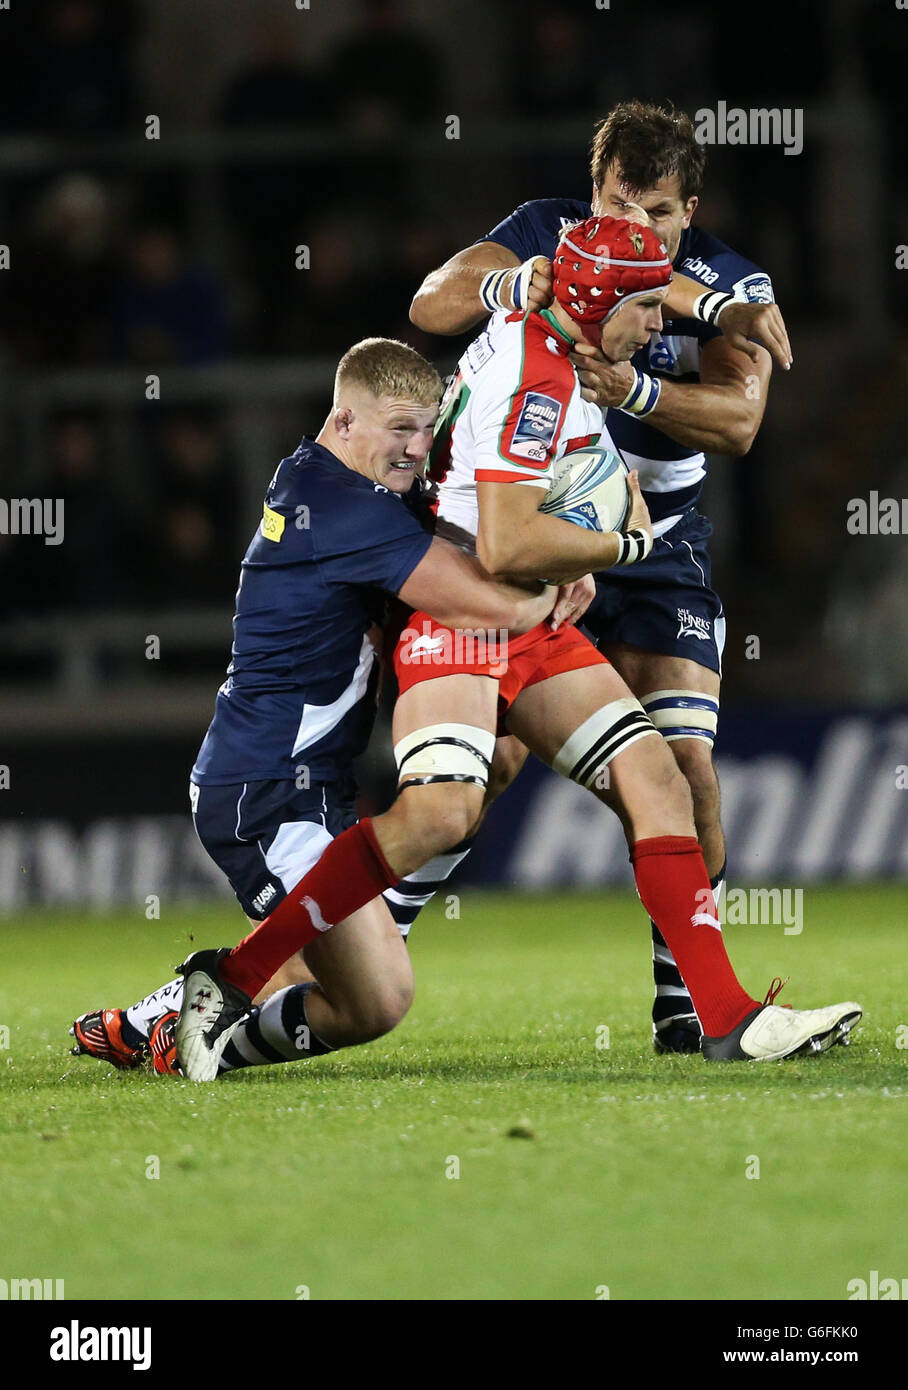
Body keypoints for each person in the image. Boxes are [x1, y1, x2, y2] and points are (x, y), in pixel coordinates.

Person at [176, 217, 860, 1081]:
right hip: (466, 620)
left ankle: (723, 1018)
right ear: (599, 300)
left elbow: (594, 471)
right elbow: (503, 545)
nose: (657, 325)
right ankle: (232, 978)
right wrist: (621, 553)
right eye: (646, 305)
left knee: (661, 781)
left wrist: (607, 534)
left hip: (531, 618)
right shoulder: (536, 381)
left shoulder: (566, 353)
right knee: (442, 814)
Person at [69, 336, 567, 1075]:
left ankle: (151, 1023)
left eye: (426, 428)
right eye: (398, 429)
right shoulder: (342, 508)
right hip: (265, 792)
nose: (415, 449)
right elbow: (487, 605)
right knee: (375, 1000)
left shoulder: (324, 482)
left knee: (495, 756)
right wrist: (580, 564)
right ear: (343, 423)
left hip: (304, 786)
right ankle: (190, 1042)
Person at [408, 100, 792, 1052]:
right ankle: (363, 943)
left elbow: (741, 422)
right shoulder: (546, 235)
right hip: (528, 532)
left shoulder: (730, 277)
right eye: (621, 203)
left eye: (659, 213)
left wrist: (637, 389)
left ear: (689, 208)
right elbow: (430, 302)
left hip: (655, 544)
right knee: (474, 777)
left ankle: (687, 1007)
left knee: (688, 769)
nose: (637, 228)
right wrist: (527, 284)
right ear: (593, 194)